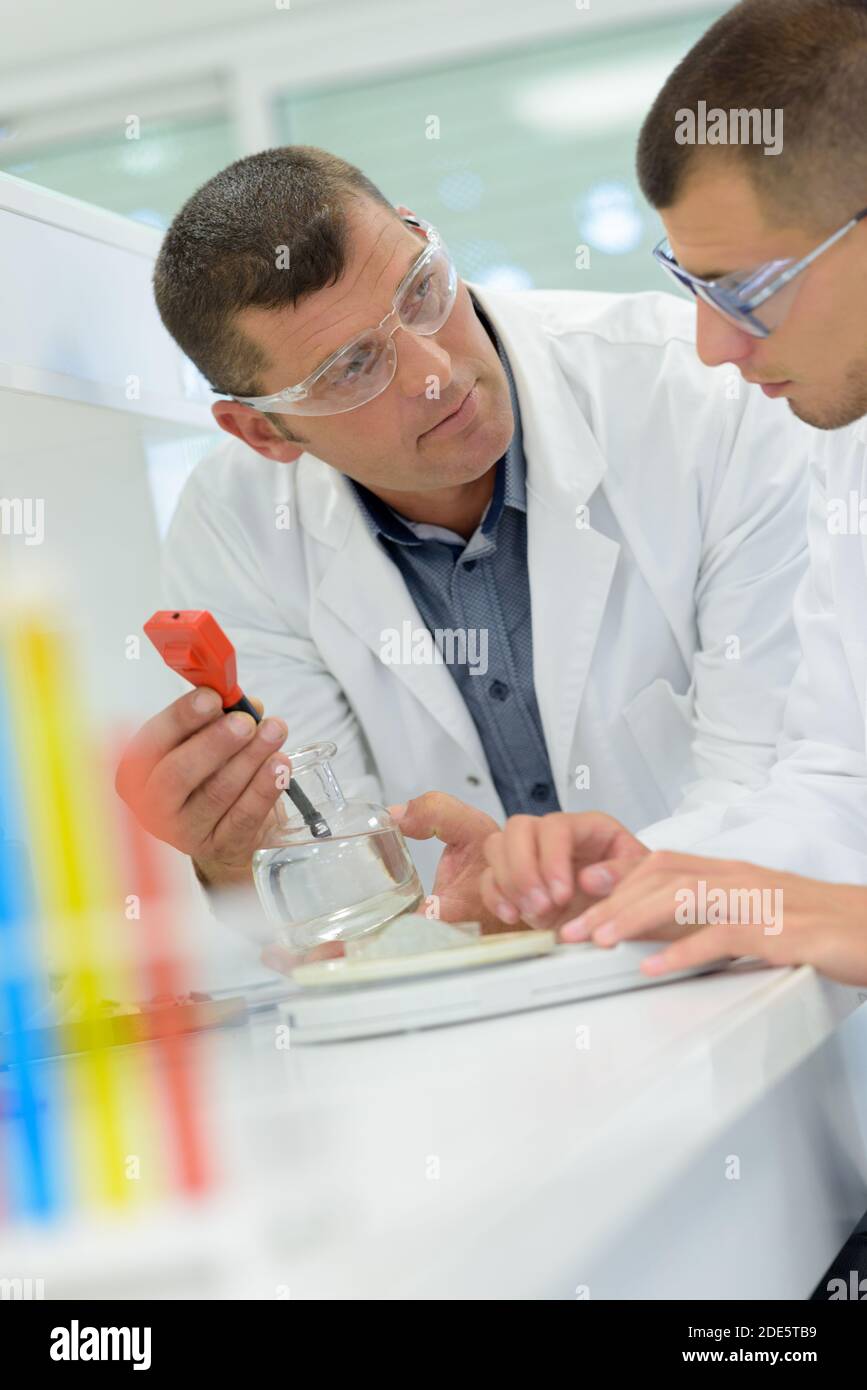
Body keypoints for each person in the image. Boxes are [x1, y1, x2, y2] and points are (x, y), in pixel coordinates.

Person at [116, 144, 812, 917]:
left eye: (420, 291)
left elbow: (788, 779)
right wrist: (230, 855)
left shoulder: (695, 388)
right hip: (456, 1006)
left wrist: (590, 897)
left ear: (420, 232)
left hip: (739, 986)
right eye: (351, 367)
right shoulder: (238, 528)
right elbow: (330, 871)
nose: (432, 372)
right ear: (263, 430)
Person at [481, 0, 867, 985]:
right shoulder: (847, 447)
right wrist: (686, 881)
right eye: (691, 287)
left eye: (745, 290)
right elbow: (840, 776)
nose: (711, 347)